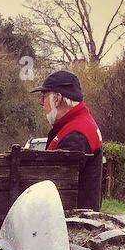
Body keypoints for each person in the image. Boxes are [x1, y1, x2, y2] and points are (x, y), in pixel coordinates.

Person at [30, 70, 103, 211]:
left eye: (43, 97)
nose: (42, 104)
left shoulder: (76, 134)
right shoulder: (80, 124)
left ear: (57, 99)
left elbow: (57, 188)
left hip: (74, 222)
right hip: (81, 217)